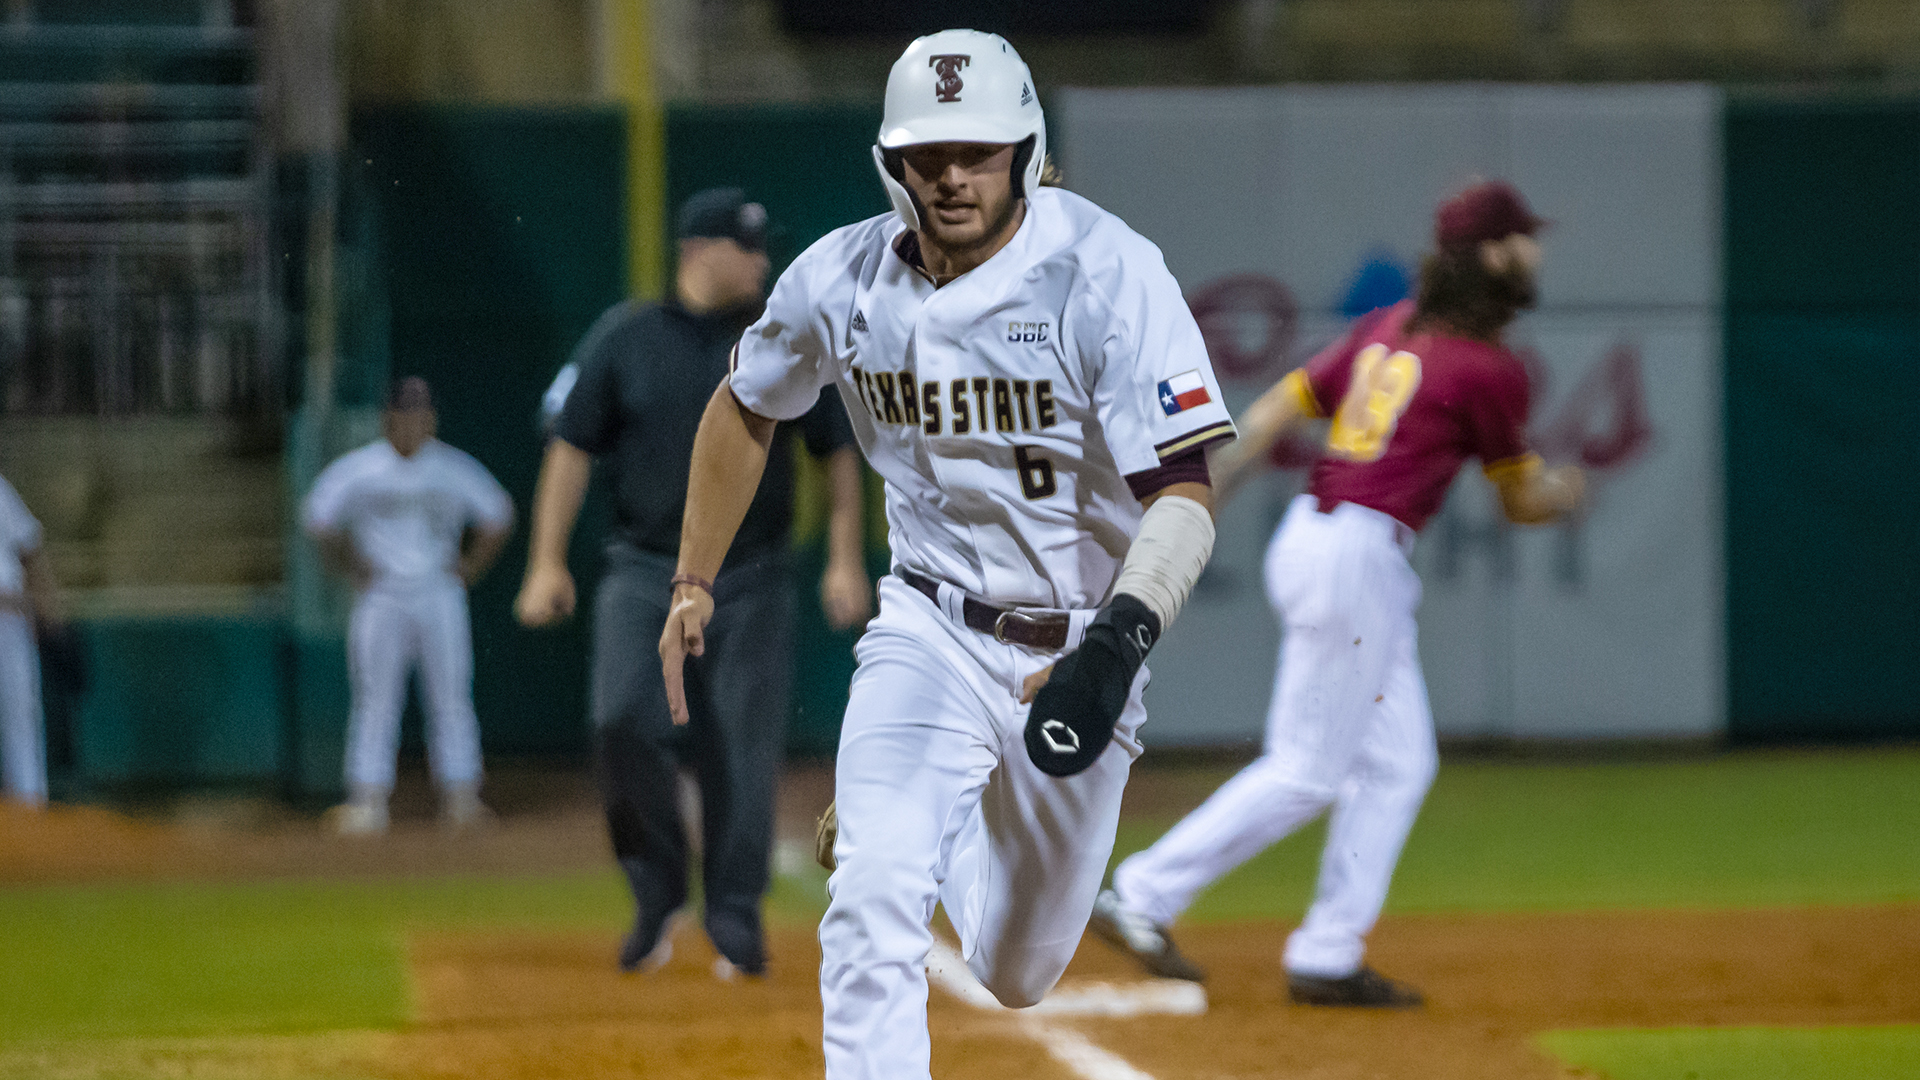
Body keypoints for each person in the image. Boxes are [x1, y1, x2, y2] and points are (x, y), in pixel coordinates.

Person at [658, 30, 1233, 1079]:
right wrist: (692, 575)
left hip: (1082, 637)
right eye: (929, 155)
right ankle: (895, 839)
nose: (955, 176)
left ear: (1026, 148)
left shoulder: (1105, 270)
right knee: (873, 895)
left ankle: (936, 836)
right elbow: (746, 404)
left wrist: (1117, 647)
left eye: (981, 150)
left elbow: (1187, 492)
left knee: (1020, 971)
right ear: (891, 161)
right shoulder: (840, 277)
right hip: (927, 628)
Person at [1090, 180, 1586, 1007]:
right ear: (1495, 254)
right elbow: (1523, 501)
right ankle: (1140, 893)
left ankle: (1327, 949)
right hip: (1357, 555)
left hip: (1325, 543)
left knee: (1397, 764)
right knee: (1309, 768)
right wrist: (1566, 490)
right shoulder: (1490, 368)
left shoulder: (1386, 329)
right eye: (1524, 240)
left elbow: (1272, 414)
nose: (1534, 252)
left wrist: (1193, 507)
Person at [515, 187, 871, 979]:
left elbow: (836, 447)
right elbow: (570, 445)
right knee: (619, 723)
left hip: (753, 574)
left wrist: (845, 556)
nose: (763, 261)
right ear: (699, 250)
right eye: (748, 248)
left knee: (741, 752)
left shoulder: (772, 338)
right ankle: (657, 891)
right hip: (643, 571)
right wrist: (545, 560)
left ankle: (736, 917)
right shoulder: (627, 337)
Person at [304, 377, 515, 835]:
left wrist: (471, 566)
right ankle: (367, 801)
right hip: (381, 595)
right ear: (387, 418)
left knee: (452, 695)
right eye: (403, 414)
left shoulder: (451, 468)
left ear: (431, 419)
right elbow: (319, 519)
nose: (412, 423)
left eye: (420, 414)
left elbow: (498, 515)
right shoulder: (362, 469)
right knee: (375, 698)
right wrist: (349, 566)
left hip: (439, 591)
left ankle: (461, 798)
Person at [0, 471, 61, 808]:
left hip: (9, 621)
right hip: (8, 611)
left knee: (20, 717)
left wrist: (50, 613)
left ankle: (29, 808)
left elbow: (30, 548)